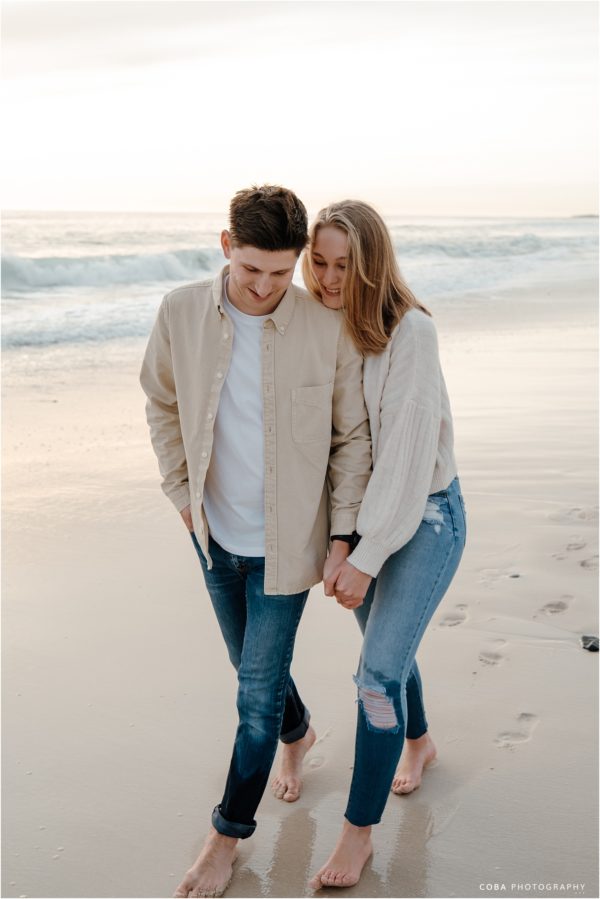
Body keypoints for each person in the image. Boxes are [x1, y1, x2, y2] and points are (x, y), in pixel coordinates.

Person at [139, 185, 371, 899]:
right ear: (224, 247)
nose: (267, 287)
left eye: (281, 271)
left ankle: (225, 837)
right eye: (250, 271)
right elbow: (160, 397)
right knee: (252, 671)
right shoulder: (180, 311)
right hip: (210, 534)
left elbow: (350, 438)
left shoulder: (322, 327)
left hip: (286, 546)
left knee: (253, 696)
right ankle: (297, 734)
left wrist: (341, 537)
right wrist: (181, 495)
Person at [301, 200, 466, 890]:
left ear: (373, 264)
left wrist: (365, 559)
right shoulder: (326, 325)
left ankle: (357, 832)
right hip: (368, 521)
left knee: (374, 677)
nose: (331, 278)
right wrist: (343, 543)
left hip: (425, 518)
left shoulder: (412, 333)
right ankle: (420, 742)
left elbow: (401, 462)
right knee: (387, 655)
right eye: (321, 263)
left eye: (345, 265)